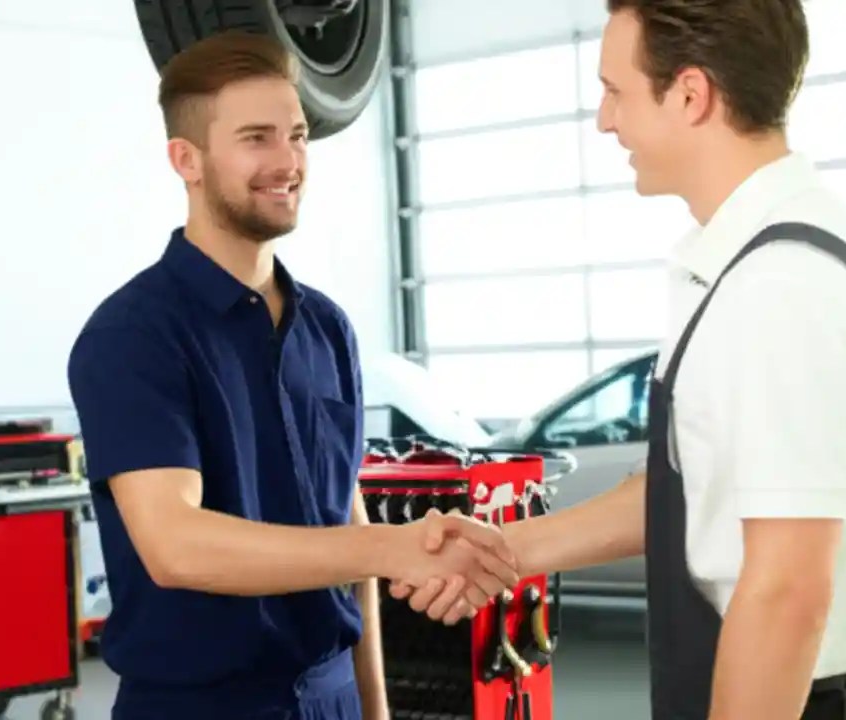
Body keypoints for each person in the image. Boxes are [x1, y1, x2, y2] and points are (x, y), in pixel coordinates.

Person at [392, 2, 846, 718]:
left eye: (617, 91)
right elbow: (691, 490)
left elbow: (786, 594)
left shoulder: (780, 289)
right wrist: (502, 549)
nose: (606, 121)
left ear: (691, 95)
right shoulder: (760, 260)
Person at [66, 30, 518, 720]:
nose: (288, 161)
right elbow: (175, 546)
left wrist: (374, 708)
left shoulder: (326, 327)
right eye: (256, 138)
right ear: (185, 159)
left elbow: (347, 511)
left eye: (298, 135)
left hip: (331, 692)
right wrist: (396, 548)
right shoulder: (135, 335)